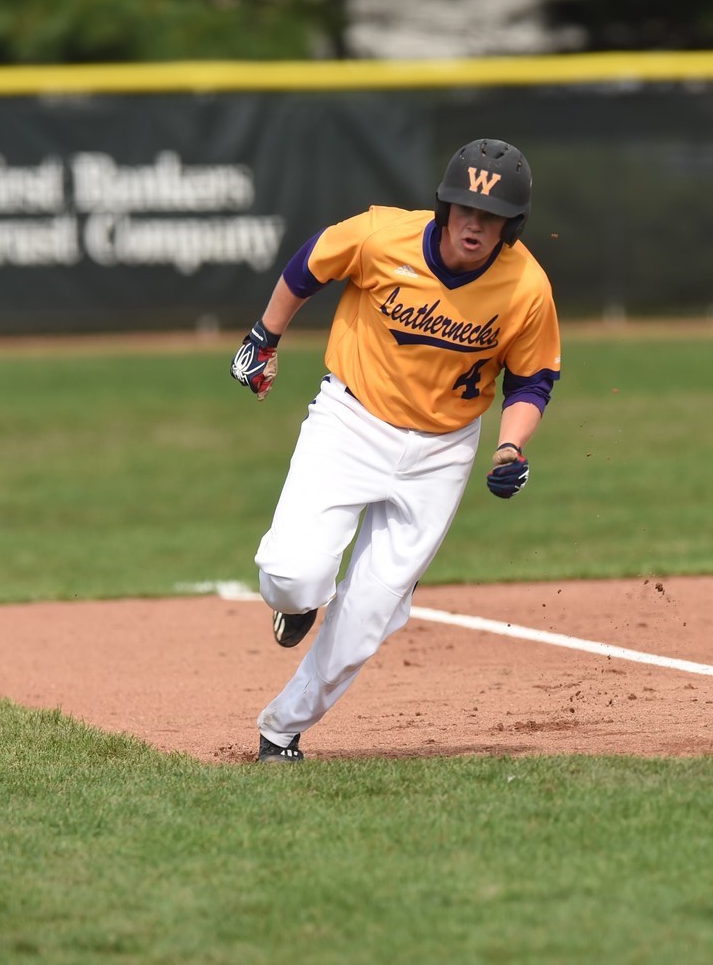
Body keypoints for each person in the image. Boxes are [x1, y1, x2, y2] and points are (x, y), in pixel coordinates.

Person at [228, 138, 562, 763]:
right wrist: (264, 336)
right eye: (465, 209)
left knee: (367, 618)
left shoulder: (526, 287)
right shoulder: (383, 236)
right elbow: (311, 263)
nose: (474, 224)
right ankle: (301, 603)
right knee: (292, 578)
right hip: (351, 422)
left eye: (490, 217)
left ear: (511, 227)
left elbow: (532, 380)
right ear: (445, 207)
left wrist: (510, 447)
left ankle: (281, 732)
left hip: (443, 452)